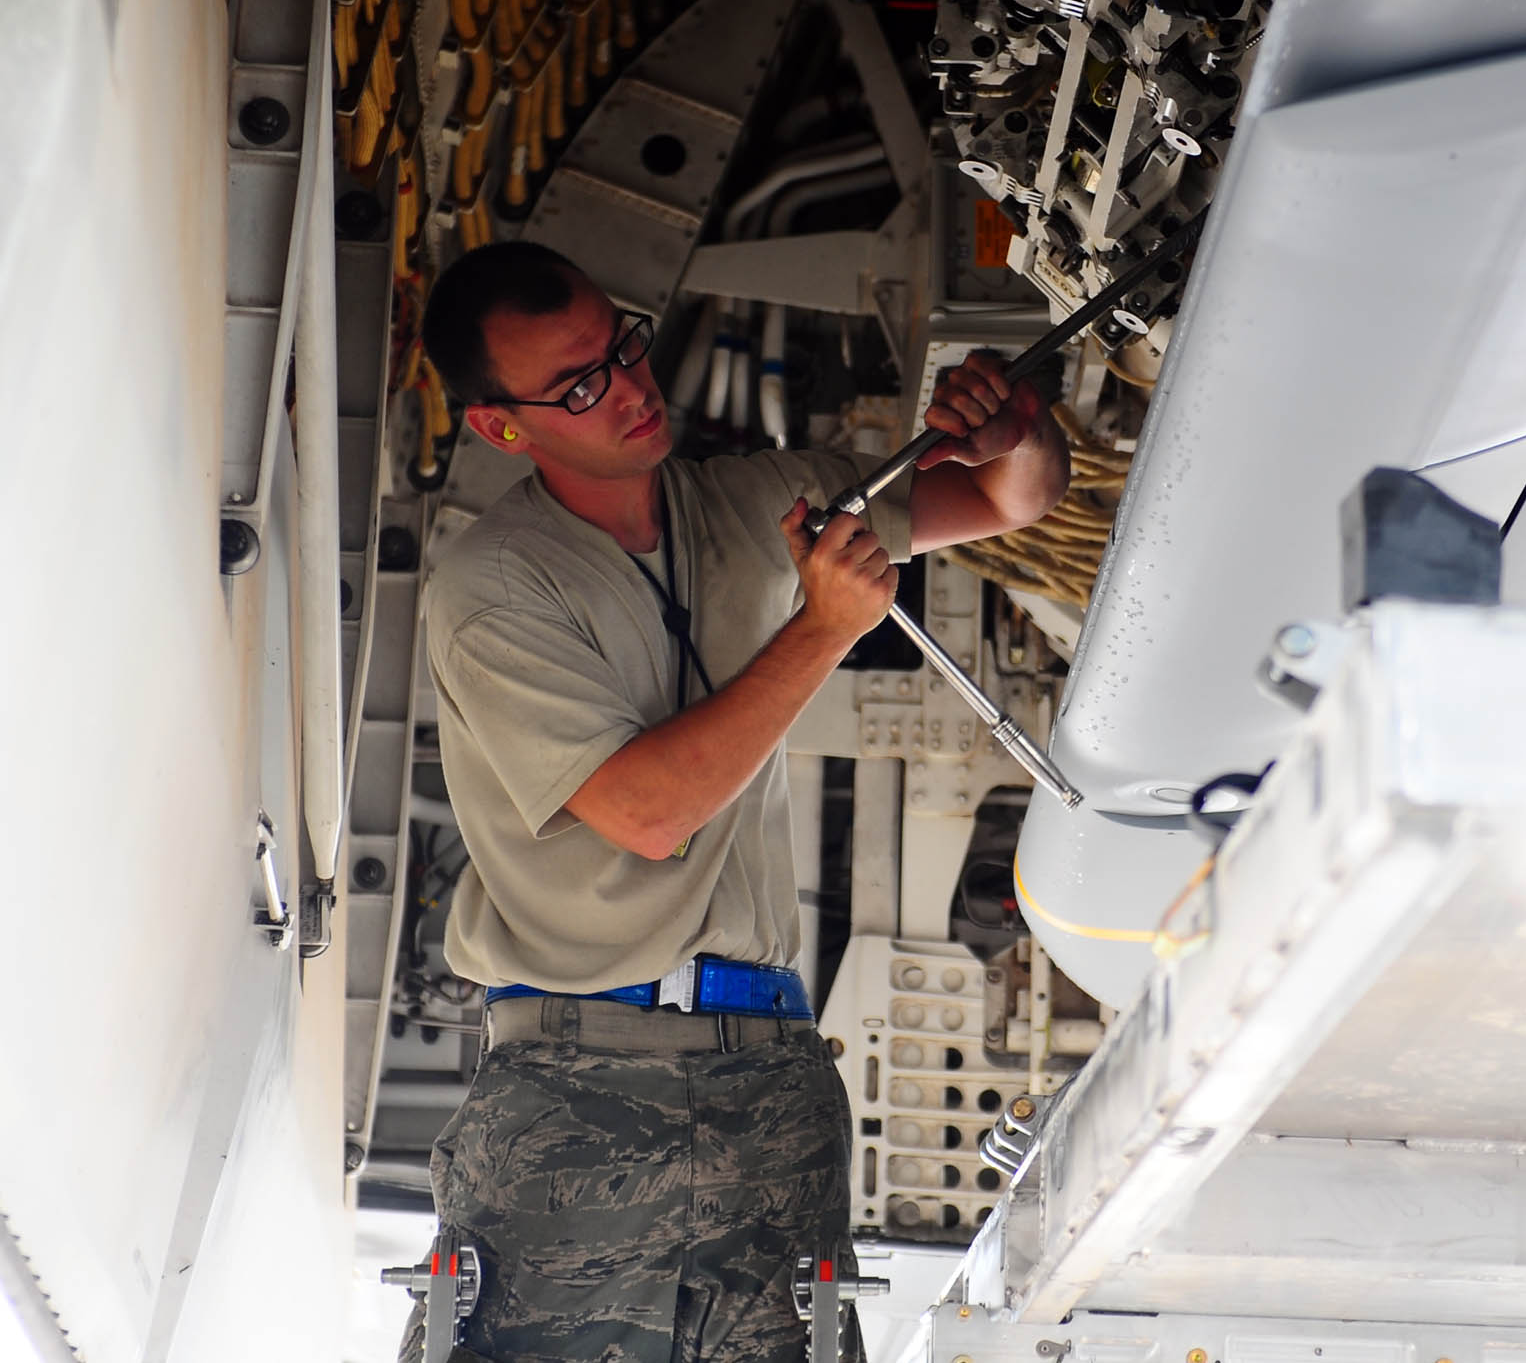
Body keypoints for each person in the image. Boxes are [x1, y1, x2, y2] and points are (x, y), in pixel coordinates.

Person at [395, 240, 1069, 1362]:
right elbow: (650, 814)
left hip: (768, 1071)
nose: (629, 387)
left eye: (622, 348)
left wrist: (1014, 429)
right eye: (579, 386)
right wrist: (823, 629)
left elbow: (1011, 499)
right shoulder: (494, 586)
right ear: (503, 428)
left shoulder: (755, 501)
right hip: (576, 1088)